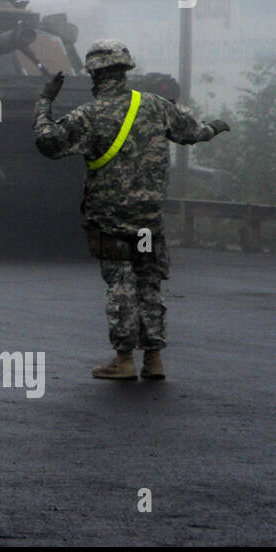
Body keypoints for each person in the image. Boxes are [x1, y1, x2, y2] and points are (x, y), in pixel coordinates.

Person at [32, 40, 230, 380]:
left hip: (109, 219)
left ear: (94, 73)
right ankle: (154, 360)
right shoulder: (155, 106)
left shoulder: (88, 115)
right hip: (148, 220)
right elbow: (194, 132)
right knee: (149, 283)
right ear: (126, 70)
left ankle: (123, 360)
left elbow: (48, 143)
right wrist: (214, 127)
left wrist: (44, 102)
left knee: (121, 283)